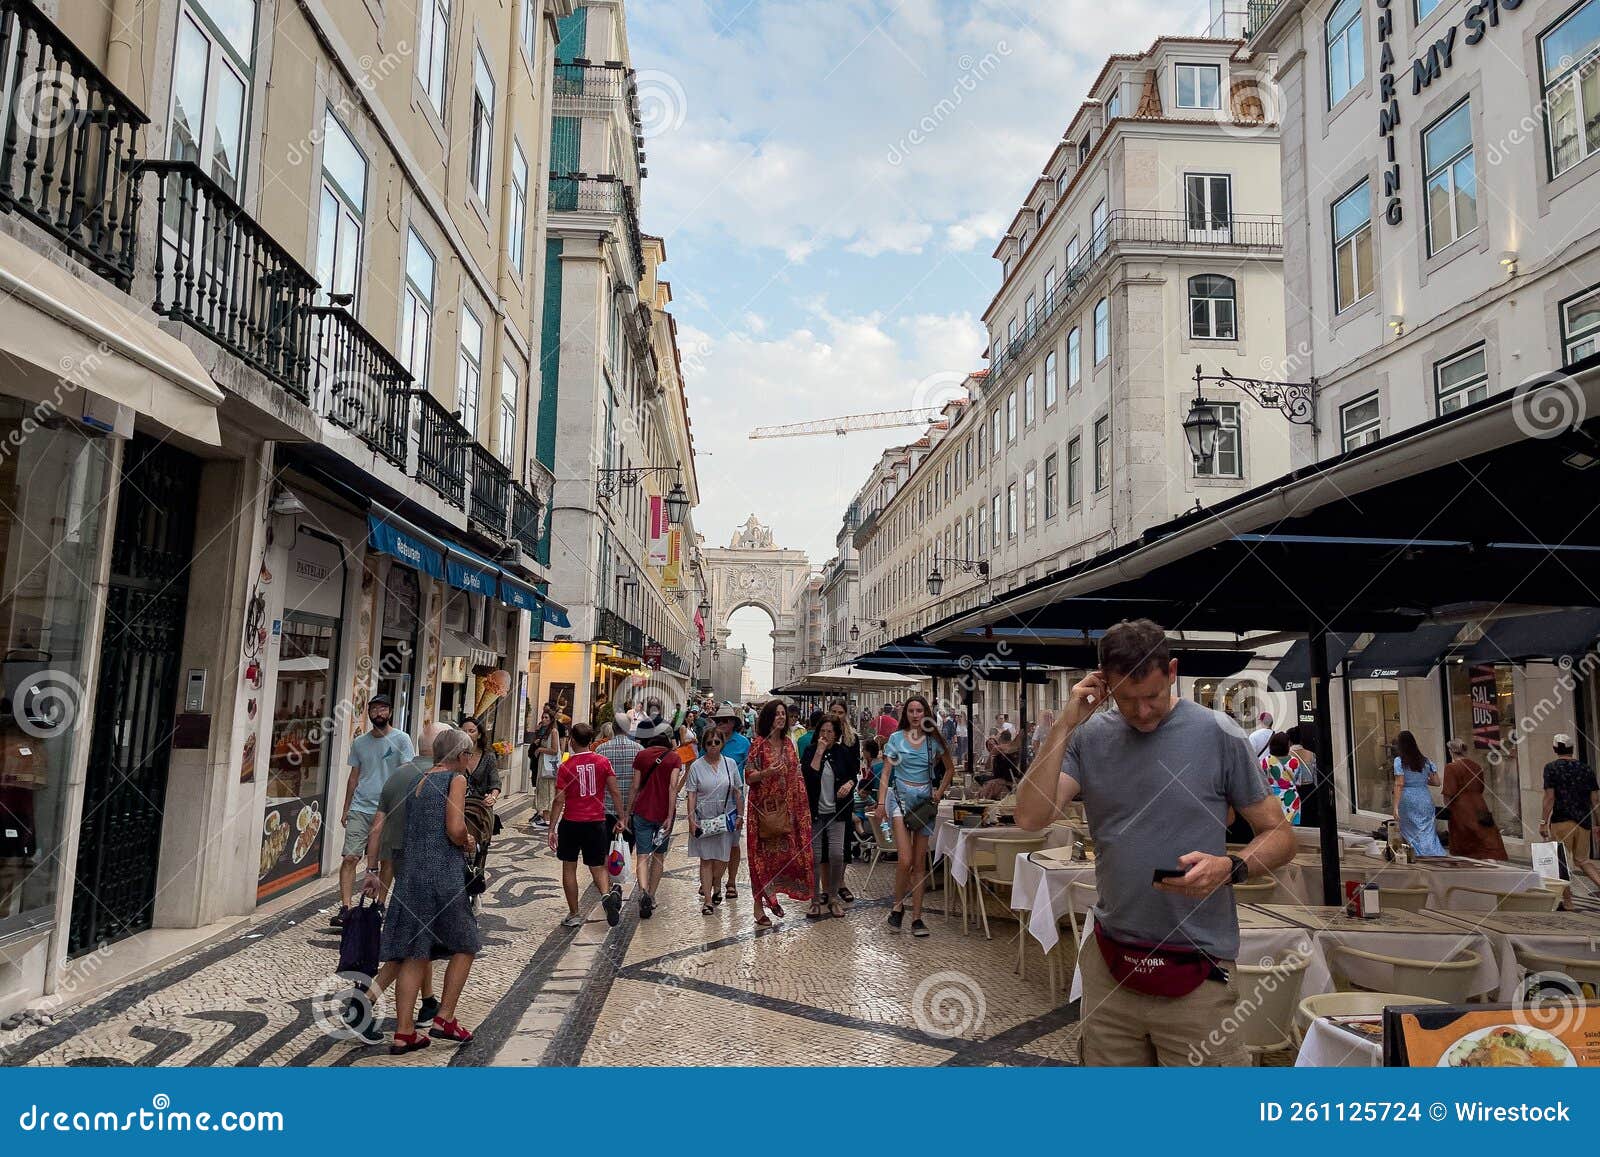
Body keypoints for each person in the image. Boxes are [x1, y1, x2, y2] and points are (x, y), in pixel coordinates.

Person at [1016, 618, 1296, 1067]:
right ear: (1103, 685)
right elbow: (1030, 815)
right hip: (1111, 968)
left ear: (1172, 671)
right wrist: (1067, 722)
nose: (1143, 712)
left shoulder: (1219, 733)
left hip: (1199, 969)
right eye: (1127, 701)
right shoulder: (1089, 738)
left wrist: (1231, 868)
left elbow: (1279, 834)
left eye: (1153, 697)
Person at [375, 726, 481, 1055]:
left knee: (415, 952)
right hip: (442, 876)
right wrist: (468, 840)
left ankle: (404, 1032)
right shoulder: (455, 780)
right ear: (461, 756)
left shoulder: (419, 781)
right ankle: (445, 1017)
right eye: (469, 754)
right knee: (466, 944)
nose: (470, 759)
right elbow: (454, 828)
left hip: (411, 877)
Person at [345, 722, 448, 1046]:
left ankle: (428, 1001)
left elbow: (377, 827)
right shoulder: (443, 780)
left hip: (400, 870)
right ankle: (362, 1007)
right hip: (425, 875)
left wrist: (372, 870)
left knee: (418, 944)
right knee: (409, 948)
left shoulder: (398, 775)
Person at [874, 694, 954, 937]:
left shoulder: (933, 742)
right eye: (912, 711)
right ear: (906, 714)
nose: (916, 715)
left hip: (924, 802)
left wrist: (939, 792)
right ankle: (897, 907)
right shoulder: (897, 739)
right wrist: (880, 803)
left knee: (920, 864)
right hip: (899, 797)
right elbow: (887, 773)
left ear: (926, 713)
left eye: (920, 710)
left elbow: (949, 768)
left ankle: (917, 918)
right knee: (905, 860)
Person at [335, 695, 416, 926]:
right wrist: (346, 807)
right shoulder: (360, 742)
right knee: (350, 856)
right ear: (368, 713)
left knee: (386, 859)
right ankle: (346, 907)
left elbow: (406, 773)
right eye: (374, 709)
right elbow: (353, 777)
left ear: (389, 712)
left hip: (390, 809)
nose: (378, 713)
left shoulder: (402, 739)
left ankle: (379, 903)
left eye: (383, 709)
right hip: (361, 806)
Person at [549, 722, 626, 928]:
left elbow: (559, 799)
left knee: (569, 867)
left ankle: (574, 914)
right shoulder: (602, 762)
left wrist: (551, 828)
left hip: (571, 823)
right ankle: (606, 895)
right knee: (597, 865)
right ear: (591, 741)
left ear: (572, 741)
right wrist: (621, 817)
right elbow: (614, 791)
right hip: (596, 822)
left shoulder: (566, 766)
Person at [744, 700, 812, 926]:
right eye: (777, 714)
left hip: (786, 810)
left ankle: (772, 896)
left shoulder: (789, 745)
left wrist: (800, 807)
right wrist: (766, 773)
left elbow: (796, 776)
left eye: (783, 714)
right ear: (769, 718)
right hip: (762, 811)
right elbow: (749, 776)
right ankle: (759, 906)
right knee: (760, 858)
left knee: (782, 857)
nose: (781, 717)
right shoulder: (758, 744)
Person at [626, 719, 684, 918]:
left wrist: (627, 812)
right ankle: (651, 894)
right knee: (658, 856)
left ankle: (642, 891)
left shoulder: (641, 755)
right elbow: (672, 788)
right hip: (663, 815)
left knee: (642, 855)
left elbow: (635, 786)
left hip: (642, 811)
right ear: (668, 741)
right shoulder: (674, 758)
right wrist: (669, 815)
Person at [800, 717, 857, 918]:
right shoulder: (810, 751)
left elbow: (853, 775)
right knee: (815, 857)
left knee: (836, 854)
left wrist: (849, 785)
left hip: (837, 812)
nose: (826, 735)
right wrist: (819, 751)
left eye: (830, 732)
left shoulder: (843, 753)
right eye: (822, 731)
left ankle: (833, 897)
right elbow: (809, 775)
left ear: (837, 734)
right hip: (815, 812)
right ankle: (815, 900)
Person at [686, 729, 743, 912]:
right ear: (704, 745)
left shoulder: (731, 764)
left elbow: (738, 791)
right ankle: (708, 901)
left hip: (724, 818)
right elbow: (691, 794)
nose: (713, 746)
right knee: (706, 859)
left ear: (722, 744)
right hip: (704, 818)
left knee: (722, 858)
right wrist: (691, 819)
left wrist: (740, 815)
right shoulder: (696, 766)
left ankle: (717, 881)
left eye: (717, 742)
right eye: (709, 743)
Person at [1540, 734, 1600, 892]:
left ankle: (1567, 902)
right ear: (1572, 749)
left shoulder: (1551, 768)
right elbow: (1595, 800)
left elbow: (1549, 797)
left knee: (1561, 862)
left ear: (1554, 749)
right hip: (1583, 822)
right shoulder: (1586, 768)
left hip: (1561, 821)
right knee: (1583, 860)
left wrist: (1543, 822)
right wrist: (1598, 823)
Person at [1441, 739, 1507, 860]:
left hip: (1461, 807)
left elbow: (1448, 793)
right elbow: (1481, 787)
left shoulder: (1451, 768)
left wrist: (1449, 807)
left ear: (1451, 751)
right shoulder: (1476, 766)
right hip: (1480, 804)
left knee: (1464, 840)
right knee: (1484, 835)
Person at [715, 707, 751, 900]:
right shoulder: (711, 740)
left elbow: (750, 770)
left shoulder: (743, 743)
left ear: (733, 723)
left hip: (734, 800)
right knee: (713, 841)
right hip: (712, 800)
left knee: (733, 843)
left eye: (725, 720)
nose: (721, 724)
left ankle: (731, 881)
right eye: (718, 721)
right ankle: (713, 881)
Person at [1392, 730, 1445, 857]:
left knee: (1410, 831)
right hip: (1424, 797)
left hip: (1407, 798)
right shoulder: (1426, 761)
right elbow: (1437, 782)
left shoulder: (1399, 761)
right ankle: (1434, 853)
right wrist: (1420, 781)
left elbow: (1399, 784)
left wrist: (1395, 807)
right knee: (1427, 830)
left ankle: (1418, 854)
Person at [595, 721, 643, 843]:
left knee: (605, 850)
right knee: (627, 849)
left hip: (607, 807)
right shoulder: (639, 750)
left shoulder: (601, 749)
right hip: (631, 808)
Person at [529, 705, 567, 829]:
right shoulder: (544, 731)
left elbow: (555, 750)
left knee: (548, 791)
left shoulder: (554, 731)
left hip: (548, 765)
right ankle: (545, 817)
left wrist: (540, 749)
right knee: (544, 790)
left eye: (546, 717)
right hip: (542, 764)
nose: (543, 719)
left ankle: (547, 819)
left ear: (551, 719)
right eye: (542, 717)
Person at [459, 717, 501, 804]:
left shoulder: (488, 756)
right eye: (463, 732)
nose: (467, 734)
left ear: (479, 735)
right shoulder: (455, 755)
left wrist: (492, 797)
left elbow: (495, 782)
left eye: (471, 731)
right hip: (459, 803)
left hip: (481, 805)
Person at [1287, 724, 1322, 829]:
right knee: (1310, 820)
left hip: (1295, 790)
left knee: (1297, 821)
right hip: (1310, 788)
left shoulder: (1287, 755)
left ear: (1289, 740)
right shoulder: (1311, 754)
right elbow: (1316, 775)